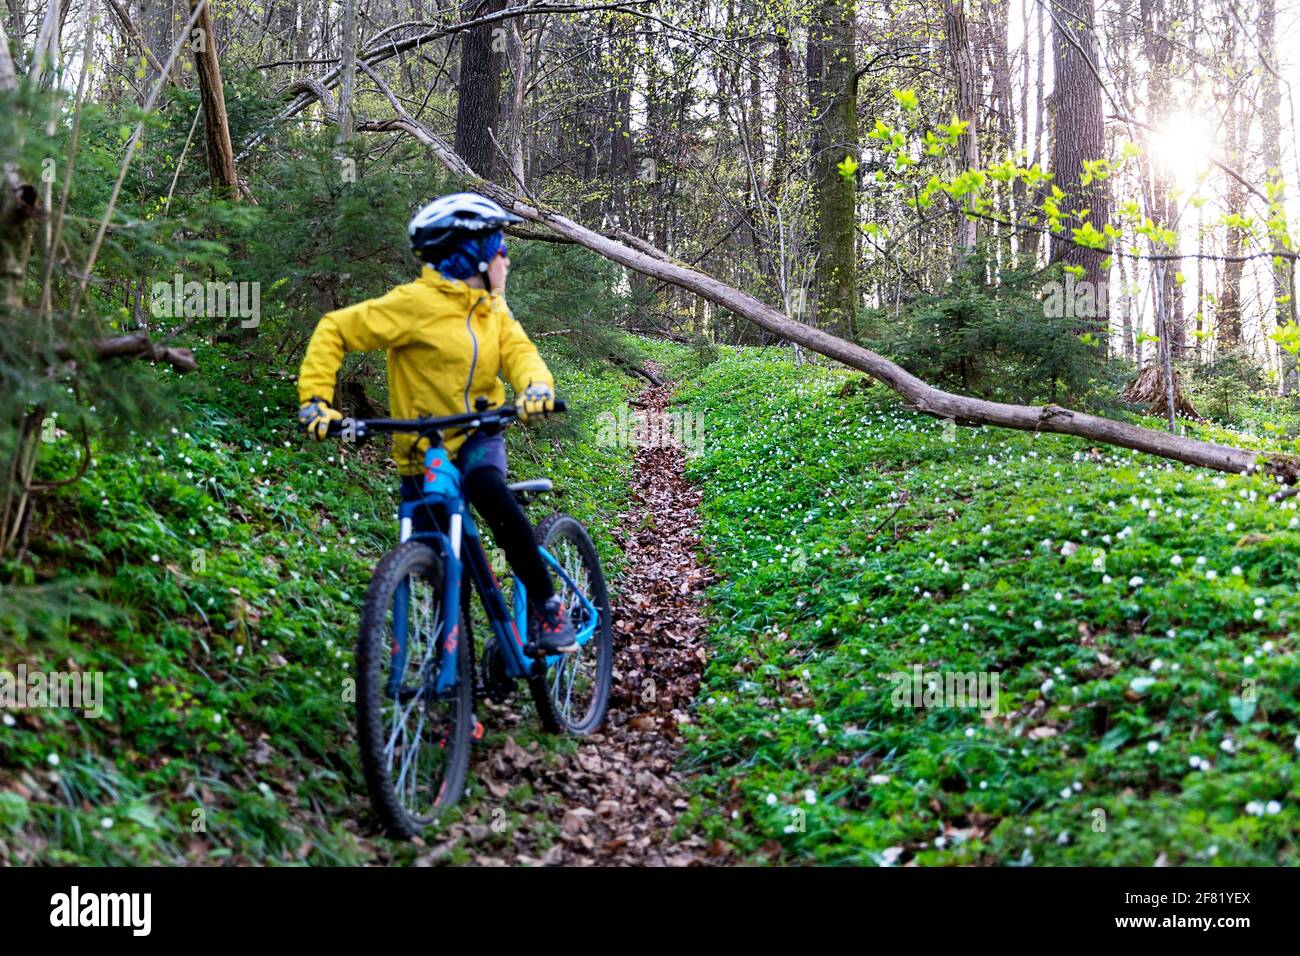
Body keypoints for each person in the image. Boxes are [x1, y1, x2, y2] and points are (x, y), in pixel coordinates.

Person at [295, 192, 577, 653]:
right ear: (476, 258)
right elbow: (335, 330)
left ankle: (548, 606)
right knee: (448, 568)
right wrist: (316, 403)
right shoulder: (414, 305)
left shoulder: (493, 310)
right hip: (420, 448)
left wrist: (535, 390)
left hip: (478, 432)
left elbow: (521, 355)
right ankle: (455, 673)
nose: (506, 258)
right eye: (498, 248)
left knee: (487, 488)